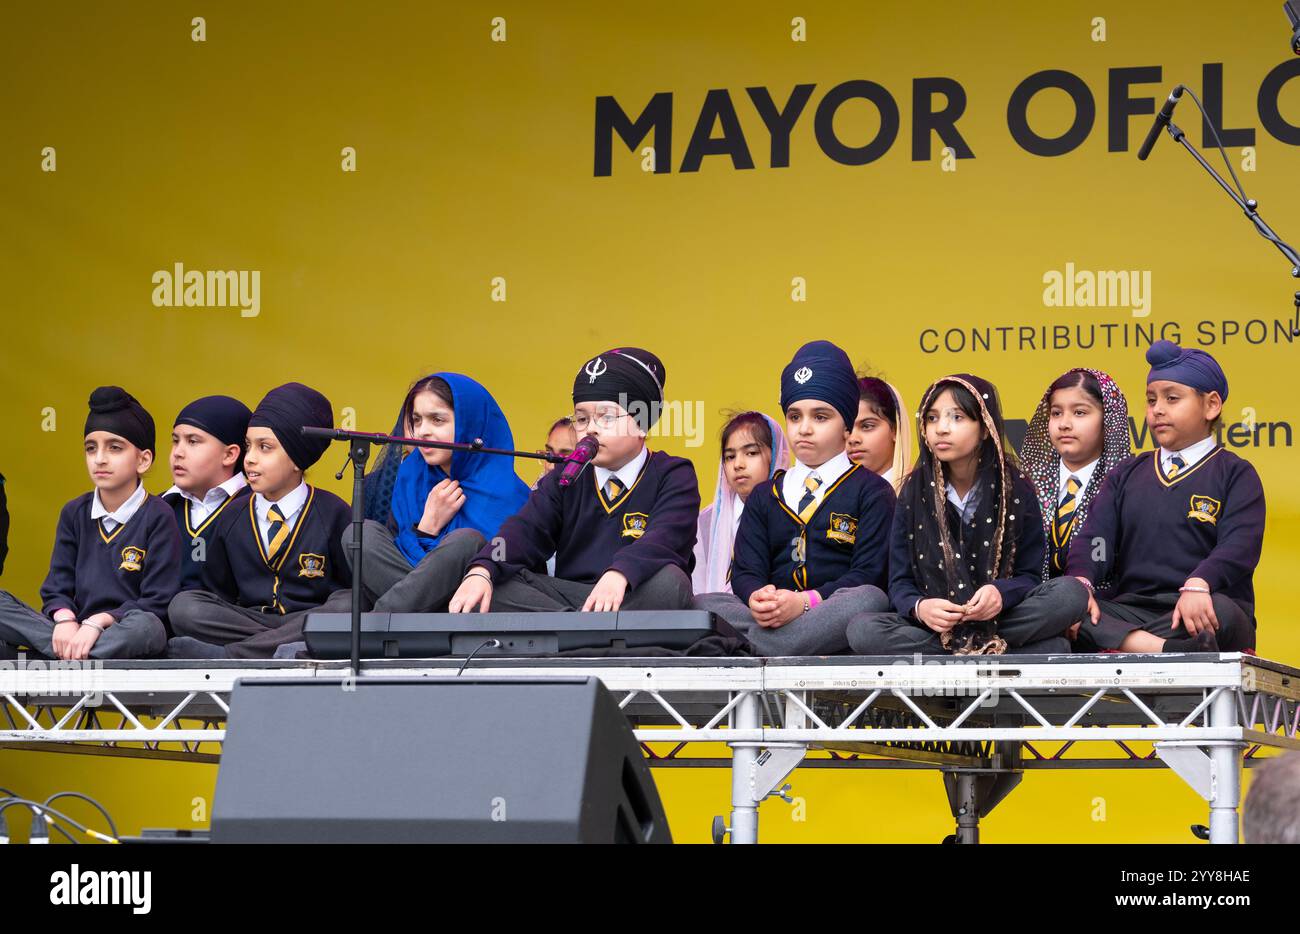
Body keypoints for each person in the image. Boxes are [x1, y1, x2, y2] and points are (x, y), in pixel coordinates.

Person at [847, 375, 1087, 655]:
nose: (941, 429)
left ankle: (955, 652)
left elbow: (1029, 575)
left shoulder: (1016, 488)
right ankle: (987, 649)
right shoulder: (913, 490)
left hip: (1000, 617)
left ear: (985, 428)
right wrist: (921, 608)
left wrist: (1000, 594)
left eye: (957, 418)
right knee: (862, 629)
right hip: (936, 628)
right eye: (933, 418)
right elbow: (900, 582)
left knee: (1071, 594)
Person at [448, 347, 698, 614]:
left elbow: (665, 538)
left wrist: (621, 573)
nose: (590, 428)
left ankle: (571, 633)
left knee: (670, 582)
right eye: (581, 418)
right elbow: (525, 529)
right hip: (569, 598)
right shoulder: (564, 477)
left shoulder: (674, 473)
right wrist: (484, 568)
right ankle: (582, 630)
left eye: (607, 416)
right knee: (494, 583)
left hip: (631, 594)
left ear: (642, 423)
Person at [695, 341, 895, 656]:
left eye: (820, 417)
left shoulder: (872, 491)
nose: (804, 429)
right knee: (702, 605)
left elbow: (868, 573)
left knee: (868, 598)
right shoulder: (765, 494)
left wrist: (802, 603)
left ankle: (755, 647)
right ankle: (780, 643)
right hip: (771, 617)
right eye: (794, 416)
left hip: (829, 612)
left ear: (846, 425)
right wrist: (760, 599)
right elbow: (746, 571)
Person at [1069, 341, 1264, 653]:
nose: (1157, 409)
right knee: (1065, 610)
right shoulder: (1126, 474)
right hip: (1133, 610)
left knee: (1221, 615)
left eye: (1172, 399)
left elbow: (1239, 546)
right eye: (1150, 400)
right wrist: (1082, 582)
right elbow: (1098, 541)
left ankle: (1135, 644)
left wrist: (1199, 583)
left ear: (1211, 405)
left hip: (1203, 605)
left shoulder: (1235, 473)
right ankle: (1163, 650)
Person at [166, 382, 352, 659]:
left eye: (265, 448)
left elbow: (348, 588)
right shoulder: (232, 515)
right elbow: (219, 594)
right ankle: (285, 645)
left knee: (347, 605)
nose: (250, 459)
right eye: (248, 446)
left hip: (312, 617)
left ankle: (232, 655)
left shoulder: (333, 512)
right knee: (184, 606)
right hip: (258, 622)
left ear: (297, 458)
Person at [0, 387, 176, 659]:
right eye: (91, 448)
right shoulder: (74, 512)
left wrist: (98, 623)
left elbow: (157, 602)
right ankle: (78, 654)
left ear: (143, 460)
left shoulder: (159, 514)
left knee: (147, 627)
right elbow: (57, 588)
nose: (100, 458)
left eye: (115, 448)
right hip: (72, 630)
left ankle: (61, 657)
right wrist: (65, 620)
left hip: (123, 630)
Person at [347, 373, 529, 611]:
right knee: (359, 534)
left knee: (466, 541)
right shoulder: (409, 477)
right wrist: (426, 528)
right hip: (415, 592)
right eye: (417, 420)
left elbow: (507, 565)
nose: (422, 431)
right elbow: (393, 557)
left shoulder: (509, 493)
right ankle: (415, 619)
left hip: (475, 604)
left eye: (437, 420)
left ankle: (383, 621)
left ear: (470, 424)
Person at [692, 411, 789, 595]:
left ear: (776, 456)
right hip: (719, 614)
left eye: (751, 453)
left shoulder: (792, 512)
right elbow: (697, 587)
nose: (738, 464)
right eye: (730, 457)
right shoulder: (706, 520)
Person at [161, 395, 252, 591]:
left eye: (193, 442)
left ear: (229, 455)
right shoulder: (156, 508)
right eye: (176, 441)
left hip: (226, 619)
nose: (178, 452)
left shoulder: (257, 507)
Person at [847, 375, 912, 492]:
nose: (852, 439)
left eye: (867, 426)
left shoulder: (921, 495)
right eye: (847, 428)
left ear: (895, 430)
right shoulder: (828, 495)